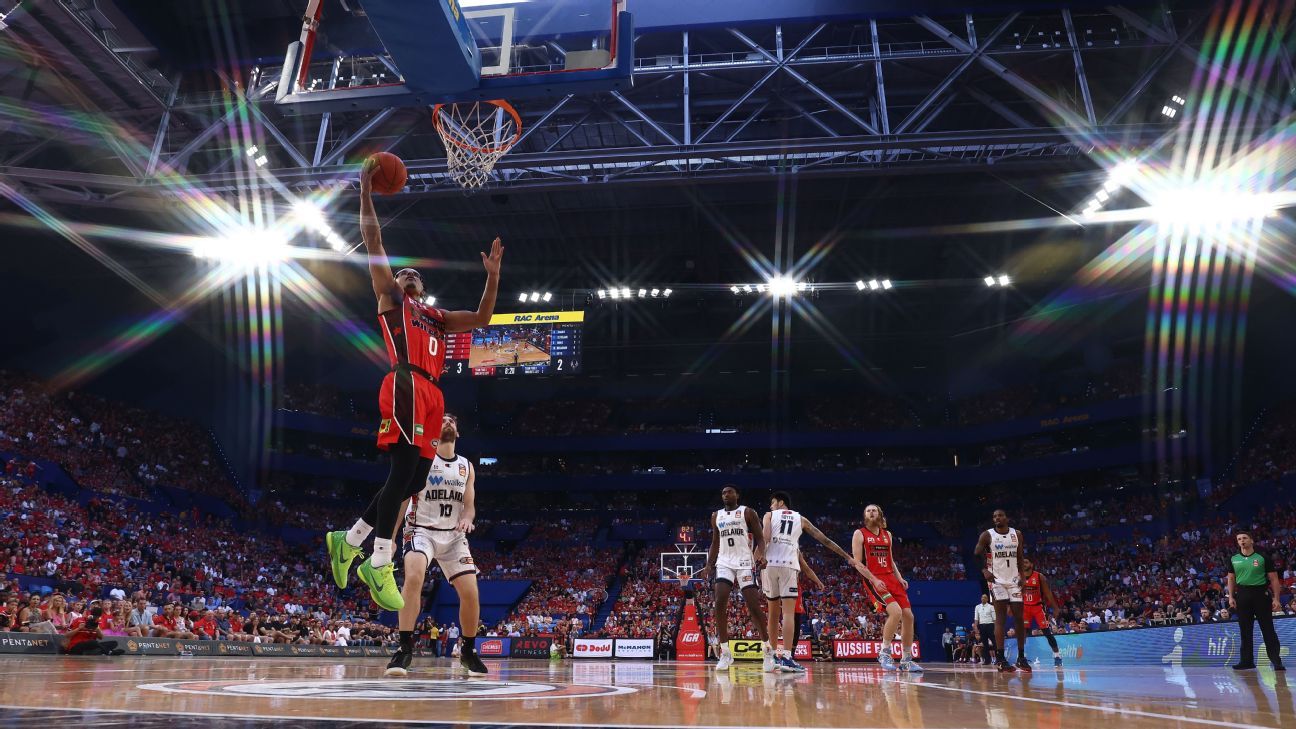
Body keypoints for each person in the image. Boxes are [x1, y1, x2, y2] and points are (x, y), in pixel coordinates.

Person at [326, 156, 504, 611]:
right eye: (403, 272)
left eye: (415, 274)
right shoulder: (391, 299)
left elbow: (483, 318)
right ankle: (378, 561)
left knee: (415, 479)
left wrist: (493, 277)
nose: (408, 275)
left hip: (432, 393)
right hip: (404, 379)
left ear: (423, 288)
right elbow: (373, 239)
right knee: (403, 469)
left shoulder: (438, 317)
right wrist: (365, 192)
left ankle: (350, 540)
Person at [384, 414, 488, 677]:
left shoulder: (467, 466)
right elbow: (403, 501)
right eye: (443, 420)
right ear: (432, 429)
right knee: (414, 577)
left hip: (453, 535)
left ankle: (468, 651)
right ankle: (404, 648)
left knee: (471, 592)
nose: (448, 422)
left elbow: (469, 505)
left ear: (458, 432)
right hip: (420, 530)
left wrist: (467, 518)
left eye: (452, 420)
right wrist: (390, 538)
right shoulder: (422, 460)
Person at [761, 491, 868, 673]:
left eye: (772, 503)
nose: (771, 506)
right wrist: (847, 557)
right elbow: (824, 540)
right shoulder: (801, 519)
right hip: (788, 565)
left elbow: (765, 537)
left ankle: (769, 658)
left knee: (772, 614)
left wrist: (756, 557)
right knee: (788, 614)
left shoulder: (769, 515)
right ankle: (786, 657)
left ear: (780, 502)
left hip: (770, 565)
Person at [698, 484, 772, 671]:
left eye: (729, 492)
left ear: (737, 495)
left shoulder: (748, 512)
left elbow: (760, 538)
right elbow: (715, 542)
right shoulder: (716, 516)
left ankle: (767, 650)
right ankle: (725, 652)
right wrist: (708, 565)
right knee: (719, 602)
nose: (726, 495)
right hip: (724, 562)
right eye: (723, 492)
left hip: (745, 562)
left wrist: (762, 555)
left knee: (754, 607)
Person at [853, 504, 923, 673]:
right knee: (896, 612)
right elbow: (857, 563)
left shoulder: (887, 535)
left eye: (874, 510)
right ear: (864, 516)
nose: (871, 512)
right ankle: (884, 652)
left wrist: (899, 578)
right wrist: (874, 580)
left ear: (880, 514)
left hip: (891, 577)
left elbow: (890, 560)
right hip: (873, 578)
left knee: (909, 616)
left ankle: (906, 660)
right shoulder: (859, 533)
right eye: (868, 510)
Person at [974, 509, 1029, 672]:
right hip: (996, 580)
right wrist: (984, 570)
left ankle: (1021, 657)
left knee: (1019, 618)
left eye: (1000, 515)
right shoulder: (987, 535)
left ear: (1007, 518)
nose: (997, 518)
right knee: (1000, 619)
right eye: (994, 516)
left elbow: (1020, 556)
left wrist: (1023, 577)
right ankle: (1000, 659)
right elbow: (976, 554)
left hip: (1014, 580)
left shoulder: (1017, 534)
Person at [1226, 531, 1285, 671]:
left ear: (1251, 540)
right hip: (1242, 595)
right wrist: (1231, 596)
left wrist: (1276, 599)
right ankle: (1246, 661)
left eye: (1245, 538)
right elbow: (1231, 578)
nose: (1242, 541)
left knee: (1268, 629)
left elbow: (1274, 579)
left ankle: (1276, 661)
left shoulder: (1263, 557)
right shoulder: (1233, 558)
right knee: (1245, 630)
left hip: (1261, 594)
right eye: (1239, 539)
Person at [1019, 557, 1063, 667]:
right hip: (1025, 608)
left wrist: (1055, 608)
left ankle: (1057, 656)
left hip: (1038, 607)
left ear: (1031, 564)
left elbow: (1048, 593)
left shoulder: (1039, 576)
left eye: (1026, 562)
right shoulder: (1019, 577)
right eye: (1022, 562)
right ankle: (1021, 657)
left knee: (1047, 633)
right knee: (1023, 633)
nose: (1024, 564)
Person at [973, 594, 997, 666]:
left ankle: (998, 659)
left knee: (994, 642)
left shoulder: (991, 607)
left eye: (985, 597)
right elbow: (976, 618)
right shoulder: (977, 607)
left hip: (990, 625)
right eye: (982, 597)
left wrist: (995, 628)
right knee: (985, 643)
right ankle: (987, 660)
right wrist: (976, 627)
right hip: (981, 626)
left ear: (987, 599)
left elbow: (994, 618)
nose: (983, 598)